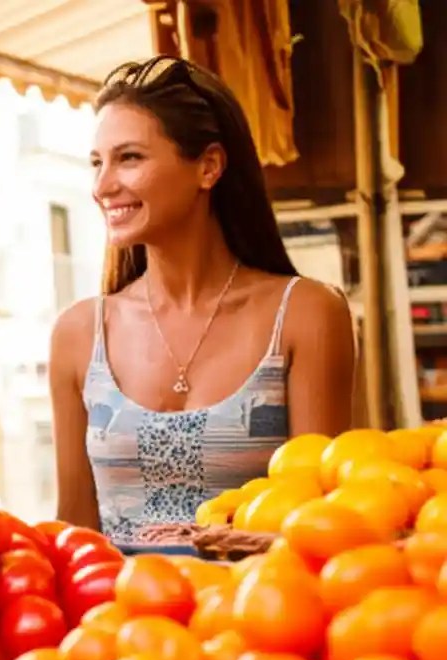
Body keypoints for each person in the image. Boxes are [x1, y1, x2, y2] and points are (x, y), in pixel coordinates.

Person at [48, 56, 356, 543]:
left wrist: (241, 547)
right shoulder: (78, 334)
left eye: (129, 158)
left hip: (259, 612)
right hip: (119, 616)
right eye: (97, 162)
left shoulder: (305, 314)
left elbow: (320, 526)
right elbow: (74, 531)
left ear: (208, 166)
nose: (103, 186)